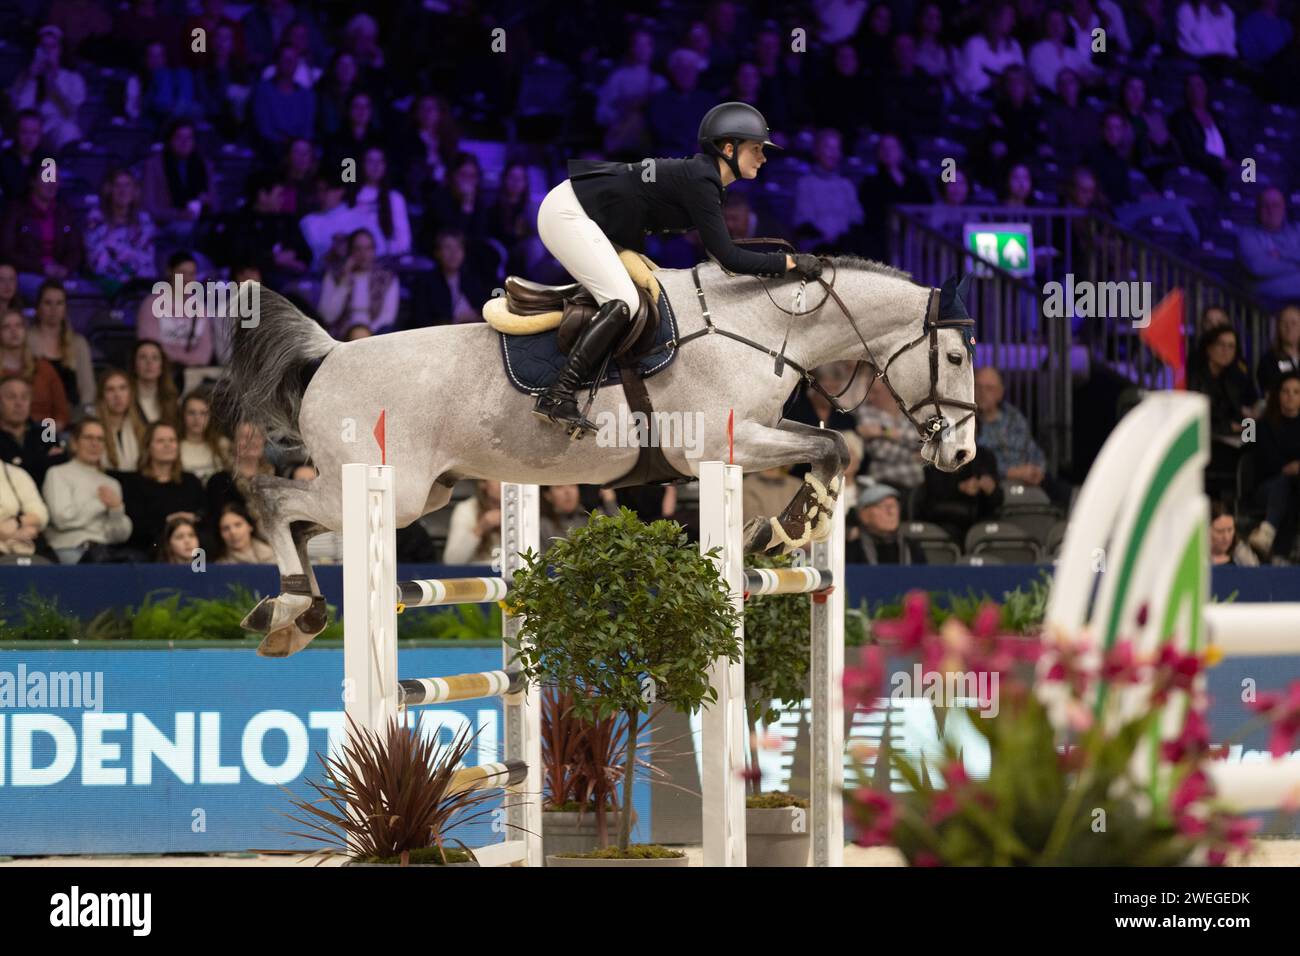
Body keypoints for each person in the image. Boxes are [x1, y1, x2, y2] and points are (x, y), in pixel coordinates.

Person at [532, 103, 820, 435]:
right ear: (728, 148)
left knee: (642, 294)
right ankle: (559, 393)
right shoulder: (702, 180)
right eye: (756, 149)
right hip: (568, 214)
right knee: (625, 302)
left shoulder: (705, 179)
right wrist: (790, 263)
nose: (763, 158)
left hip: (586, 217)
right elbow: (729, 259)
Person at [41, 417, 134, 564]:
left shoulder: (111, 483)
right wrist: (100, 504)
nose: (94, 444)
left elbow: (119, 535)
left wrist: (116, 509)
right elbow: (62, 519)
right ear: (74, 443)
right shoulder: (58, 474)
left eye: (100, 439)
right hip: (70, 550)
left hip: (105, 551)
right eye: (88, 438)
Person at [117, 421, 205, 558]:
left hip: (192, 554)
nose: (168, 445)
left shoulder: (191, 481)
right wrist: (166, 522)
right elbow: (135, 528)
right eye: (160, 441)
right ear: (148, 447)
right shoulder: (133, 484)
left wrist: (193, 519)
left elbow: (204, 517)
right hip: (151, 553)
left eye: (172, 440)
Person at [1247, 372, 1300, 561]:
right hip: (1266, 486)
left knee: (1292, 494)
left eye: (1296, 392)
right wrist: (1288, 469)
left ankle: (1277, 552)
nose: (1290, 396)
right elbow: (1249, 451)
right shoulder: (1260, 425)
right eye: (1285, 391)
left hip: (1295, 488)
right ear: (1277, 395)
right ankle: (1275, 545)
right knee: (1285, 483)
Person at [8, 25, 86, 151]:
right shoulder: (25, 75)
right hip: (29, 127)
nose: (48, 52)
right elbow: (18, 108)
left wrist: (50, 81)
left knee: (70, 130)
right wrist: (30, 78)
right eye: (44, 47)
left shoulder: (73, 78)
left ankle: (62, 167)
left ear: (60, 50)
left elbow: (70, 113)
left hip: (57, 125)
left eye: (52, 47)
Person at [26, 280, 94, 414]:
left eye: (59, 303)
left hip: (73, 417)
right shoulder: (27, 341)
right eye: (48, 303)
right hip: (36, 418)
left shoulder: (79, 344)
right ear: (38, 307)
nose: (54, 309)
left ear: (65, 308)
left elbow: (88, 390)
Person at [136, 252, 215, 368]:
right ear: (169, 272)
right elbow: (150, 348)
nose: (187, 279)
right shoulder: (152, 304)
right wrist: (178, 362)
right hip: (161, 371)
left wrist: (185, 364)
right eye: (182, 273)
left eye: (192, 274)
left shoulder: (200, 308)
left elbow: (205, 354)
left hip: (193, 373)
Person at [83, 169, 157, 293]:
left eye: (127, 185)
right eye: (117, 185)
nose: (123, 191)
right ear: (109, 190)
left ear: (134, 190)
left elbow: (147, 259)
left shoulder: (144, 219)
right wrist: (124, 274)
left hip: (140, 280)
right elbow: (97, 260)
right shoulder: (96, 219)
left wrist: (118, 252)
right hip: (108, 281)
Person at [139, 119, 217, 238]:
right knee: (185, 228)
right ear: (169, 140)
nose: (184, 142)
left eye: (189, 138)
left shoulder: (204, 165)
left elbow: (215, 204)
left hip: (200, 220)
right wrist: (179, 215)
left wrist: (207, 202)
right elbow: (149, 207)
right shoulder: (154, 165)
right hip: (164, 224)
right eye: (179, 137)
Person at [318, 228, 398, 337]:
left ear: (374, 251)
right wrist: (344, 282)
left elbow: (387, 317)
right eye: (358, 249)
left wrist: (366, 334)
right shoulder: (334, 275)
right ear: (350, 251)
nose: (363, 254)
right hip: (342, 335)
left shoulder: (387, 278)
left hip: (376, 335)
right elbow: (328, 316)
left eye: (368, 248)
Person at [792, 129, 863, 248]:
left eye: (836, 149)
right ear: (816, 151)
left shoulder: (846, 185)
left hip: (845, 250)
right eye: (828, 148)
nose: (833, 154)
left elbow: (856, 219)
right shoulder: (804, 184)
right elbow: (802, 222)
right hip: (815, 251)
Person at [0, 308, 69, 430]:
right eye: (6, 327)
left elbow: (61, 414)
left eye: (18, 326)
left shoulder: (44, 369)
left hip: (43, 435)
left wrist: (45, 441)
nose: (13, 331)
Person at [856, 378, 925, 490]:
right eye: (868, 391)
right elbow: (881, 450)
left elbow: (924, 438)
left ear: (892, 391)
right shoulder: (866, 411)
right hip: (884, 481)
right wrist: (917, 456)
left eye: (875, 391)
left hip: (916, 480)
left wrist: (884, 431)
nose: (870, 396)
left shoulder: (911, 410)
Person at [0, 374, 66, 488]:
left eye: (24, 397)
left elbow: (59, 466)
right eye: (11, 397)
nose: (19, 403)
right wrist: (44, 460)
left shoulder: (46, 431)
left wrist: (23, 465)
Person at [1237, 188, 1300, 305]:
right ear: (1258, 209)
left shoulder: (1298, 230)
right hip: (1266, 304)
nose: (1270, 210)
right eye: (1265, 205)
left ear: (1284, 208)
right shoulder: (1246, 235)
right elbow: (1258, 268)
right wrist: (1297, 263)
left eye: (1275, 205)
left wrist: (1281, 254)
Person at [846, 483, 926, 564]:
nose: (891, 512)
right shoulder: (850, 549)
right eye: (884, 506)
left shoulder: (911, 547)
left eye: (894, 506)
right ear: (863, 515)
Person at [94, 368, 144, 472]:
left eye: (123, 388)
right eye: (110, 390)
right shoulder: (94, 430)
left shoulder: (141, 429)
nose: (117, 395)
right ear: (102, 396)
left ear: (130, 393)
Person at [0, 453, 47, 559]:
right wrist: (7, 533)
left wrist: (18, 522)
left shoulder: (15, 474)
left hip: (17, 551)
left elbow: (40, 513)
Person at [178, 389, 230, 483]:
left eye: (203, 413)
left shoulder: (223, 444)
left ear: (210, 416)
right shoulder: (174, 446)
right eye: (191, 412)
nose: (197, 418)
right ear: (183, 415)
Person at [443, 480, 501, 563]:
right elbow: (452, 561)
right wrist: (479, 528)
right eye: (497, 478)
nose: (502, 484)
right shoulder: (466, 509)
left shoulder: (523, 508)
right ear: (483, 483)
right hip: (475, 573)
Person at [1257, 304, 1300, 397]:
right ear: (1278, 327)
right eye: (1284, 323)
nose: (1289, 328)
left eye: (1294, 323)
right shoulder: (1268, 360)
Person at [1209, 501, 1257, 567]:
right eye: (1219, 531)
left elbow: (1256, 575)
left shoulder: (1242, 554)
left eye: (1230, 530)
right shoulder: (1196, 557)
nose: (1226, 537)